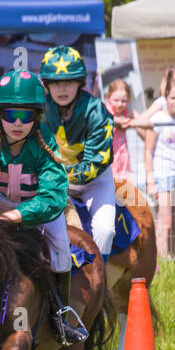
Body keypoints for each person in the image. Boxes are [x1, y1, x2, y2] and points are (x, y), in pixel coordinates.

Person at [0, 69, 87, 346]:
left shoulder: (45, 142)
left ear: (38, 116)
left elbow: (54, 195)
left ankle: (60, 315)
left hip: (36, 205)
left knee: (60, 246)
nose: (18, 123)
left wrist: (16, 215)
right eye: (10, 115)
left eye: (27, 115)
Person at [39, 46, 120, 270]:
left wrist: (55, 174)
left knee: (105, 229)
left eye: (69, 81)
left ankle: (100, 281)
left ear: (80, 82)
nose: (62, 88)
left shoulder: (97, 110)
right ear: (46, 84)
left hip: (95, 181)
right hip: (54, 182)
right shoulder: (38, 110)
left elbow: (95, 163)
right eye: (55, 82)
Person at [142, 75, 175, 256]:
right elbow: (148, 151)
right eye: (173, 97)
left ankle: (172, 256)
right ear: (165, 97)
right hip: (162, 176)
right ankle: (160, 258)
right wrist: (150, 181)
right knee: (164, 220)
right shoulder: (157, 119)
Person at [102, 79, 138, 186]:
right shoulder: (104, 109)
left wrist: (130, 122)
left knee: (125, 191)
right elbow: (106, 118)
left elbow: (146, 121)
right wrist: (118, 121)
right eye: (116, 100)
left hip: (123, 158)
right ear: (108, 97)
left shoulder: (126, 112)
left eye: (124, 101)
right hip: (108, 158)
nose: (120, 104)